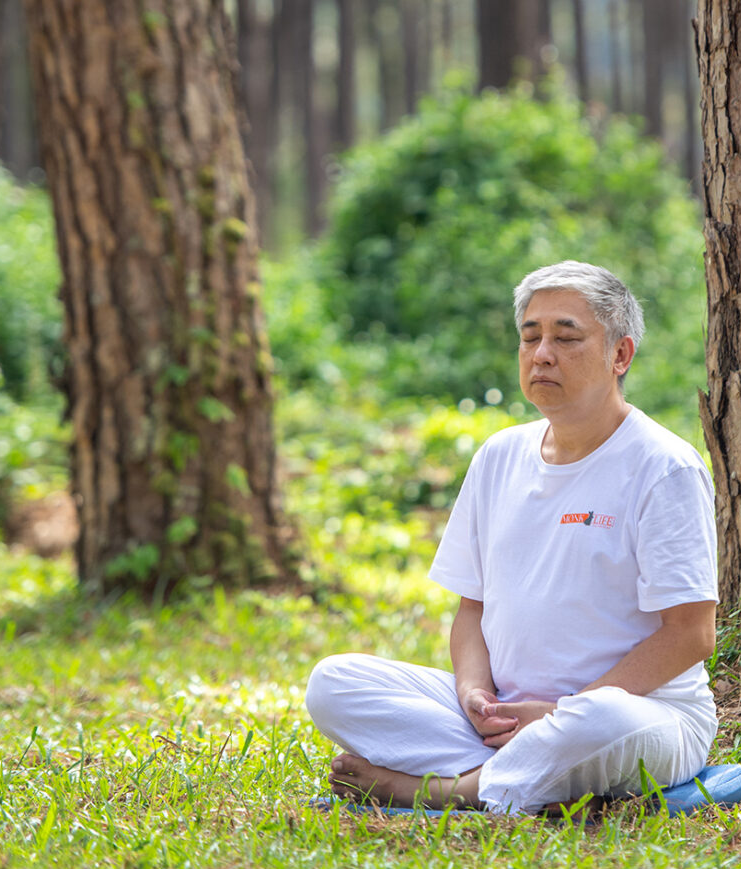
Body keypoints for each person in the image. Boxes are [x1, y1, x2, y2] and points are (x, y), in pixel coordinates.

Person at [305, 260, 718, 815]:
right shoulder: (498, 456)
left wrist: (561, 712)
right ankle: (526, 776)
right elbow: (471, 609)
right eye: (530, 337)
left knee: (600, 721)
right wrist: (474, 695)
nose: (541, 353)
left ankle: (449, 790)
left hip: (637, 714)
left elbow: (691, 635)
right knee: (334, 682)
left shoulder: (664, 466)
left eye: (565, 337)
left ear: (620, 355)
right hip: (506, 715)